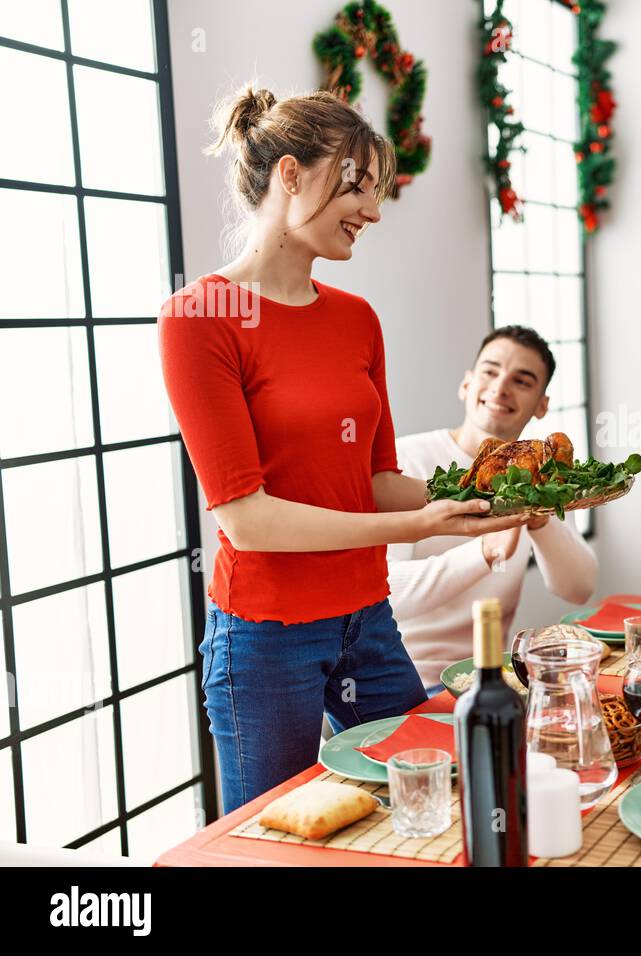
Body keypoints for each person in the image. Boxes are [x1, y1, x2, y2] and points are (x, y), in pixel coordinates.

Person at [159, 87, 527, 813]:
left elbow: (380, 481)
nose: (374, 211)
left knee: (435, 800)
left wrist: (495, 495)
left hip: (367, 617)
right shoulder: (200, 317)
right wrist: (416, 528)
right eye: (357, 185)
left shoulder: (357, 319)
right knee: (276, 841)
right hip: (266, 638)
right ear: (290, 175)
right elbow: (247, 520)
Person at [388, 325, 598, 690]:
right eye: (490, 371)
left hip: (490, 681)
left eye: (523, 380)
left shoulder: (541, 475)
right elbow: (386, 594)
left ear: (542, 405)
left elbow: (578, 588)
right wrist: (483, 552)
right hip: (405, 684)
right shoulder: (404, 461)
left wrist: (539, 521)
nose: (501, 387)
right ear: (467, 385)